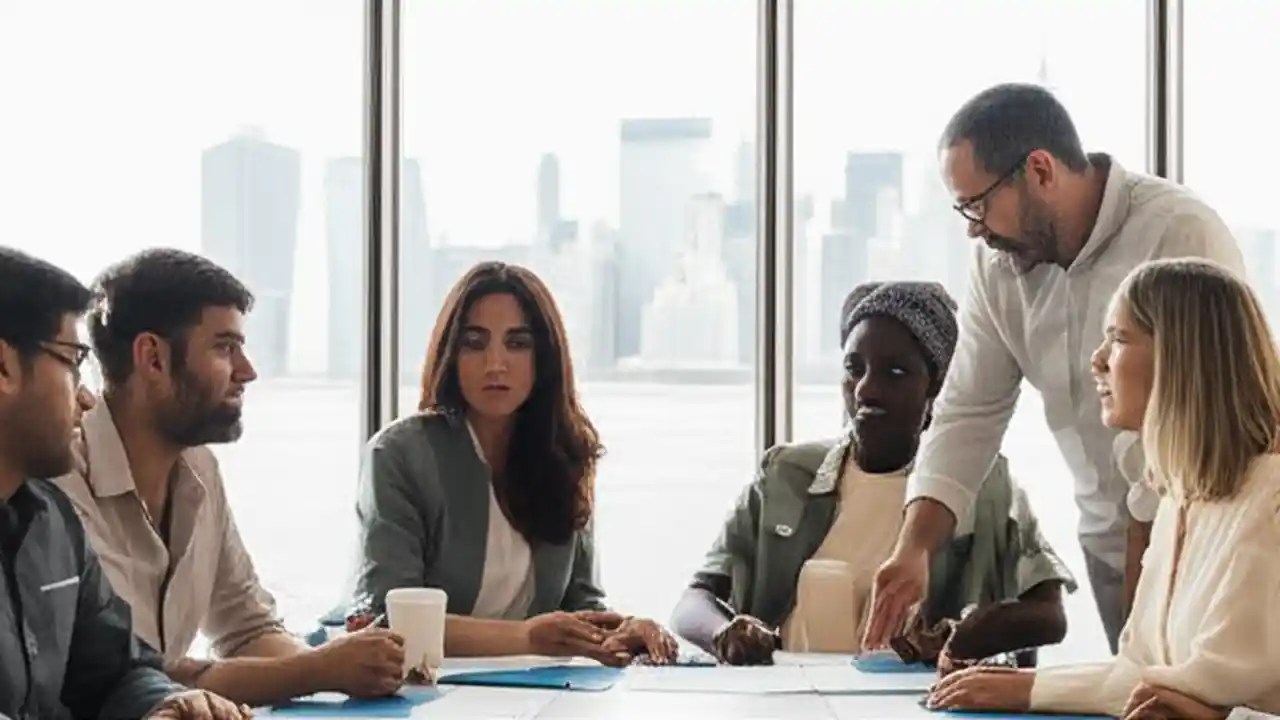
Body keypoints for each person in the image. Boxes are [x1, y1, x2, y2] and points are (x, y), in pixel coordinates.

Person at [863, 83, 1246, 655]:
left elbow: (1220, 414)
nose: (973, 227)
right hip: (1105, 538)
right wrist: (914, 548)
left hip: (1205, 537)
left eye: (977, 204)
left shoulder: (1178, 233)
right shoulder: (997, 264)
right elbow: (969, 411)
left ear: (1039, 170)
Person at [927, 258, 1280, 718]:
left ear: (1178, 358)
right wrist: (1026, 688)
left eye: (1117, 338)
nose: (1097, 360)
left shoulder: (1270, 502)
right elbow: (1142, 673)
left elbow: (1205, 691)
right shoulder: (1180, 500)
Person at [51, 249, 405, 707]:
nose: (248, 370)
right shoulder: (61, 484)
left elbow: (248, 628)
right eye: (224, 347)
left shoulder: (197, 465)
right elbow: (132, 673)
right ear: (153, 358)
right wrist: (317, 668)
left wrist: (355, 671)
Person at [670, 281, 1074, 668]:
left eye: (895, 373)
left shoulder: (984, 485)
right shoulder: (784, 476)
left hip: (921, 705)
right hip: (792, 702)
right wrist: (725, 633)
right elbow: (693, 602)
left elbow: (1050, 617)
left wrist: (966, 634)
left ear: (937, 387)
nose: (866, 389)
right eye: (854, 368)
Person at [354, 261, 676, 666]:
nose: (496, 364)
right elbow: (389, 619)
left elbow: (581, 603)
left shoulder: (564, 453)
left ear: (545, 357)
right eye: (475, 343)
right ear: (451, 355)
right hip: (428, 689)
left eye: (517, 343)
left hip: (538, 691)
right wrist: (527, 637)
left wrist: (627, 628)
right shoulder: (400, 454)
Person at [0, 247, 247, 720]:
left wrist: (169, 703)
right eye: (71, 361)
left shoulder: (51, 521)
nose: (86, 394)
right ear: (4, 367)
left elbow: (116, 671)